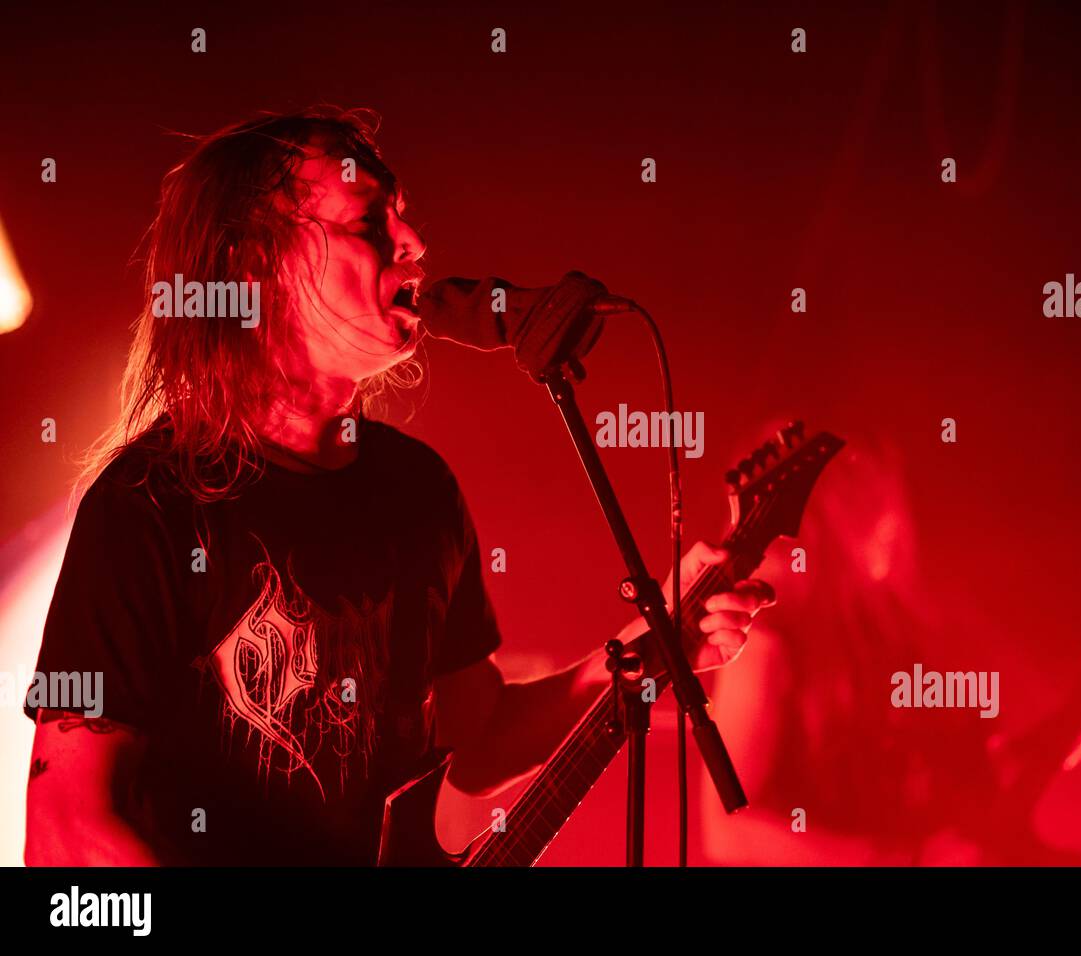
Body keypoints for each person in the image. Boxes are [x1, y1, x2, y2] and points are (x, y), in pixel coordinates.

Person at [22, 106, 774, 866]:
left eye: (403, 216)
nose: (413, 244)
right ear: (256, 264)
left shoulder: (417, 490)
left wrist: (651, 650)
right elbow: (67, 833)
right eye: (368, 219)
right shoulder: (150, 504)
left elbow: (476, 737)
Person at [701, 434, 1081, 865]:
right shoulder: (763, 643)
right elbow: (729, 829)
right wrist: (903, 862)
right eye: (865, 496)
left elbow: (968, 779)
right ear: (823, 516)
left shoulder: (880, 637)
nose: (889, 522)